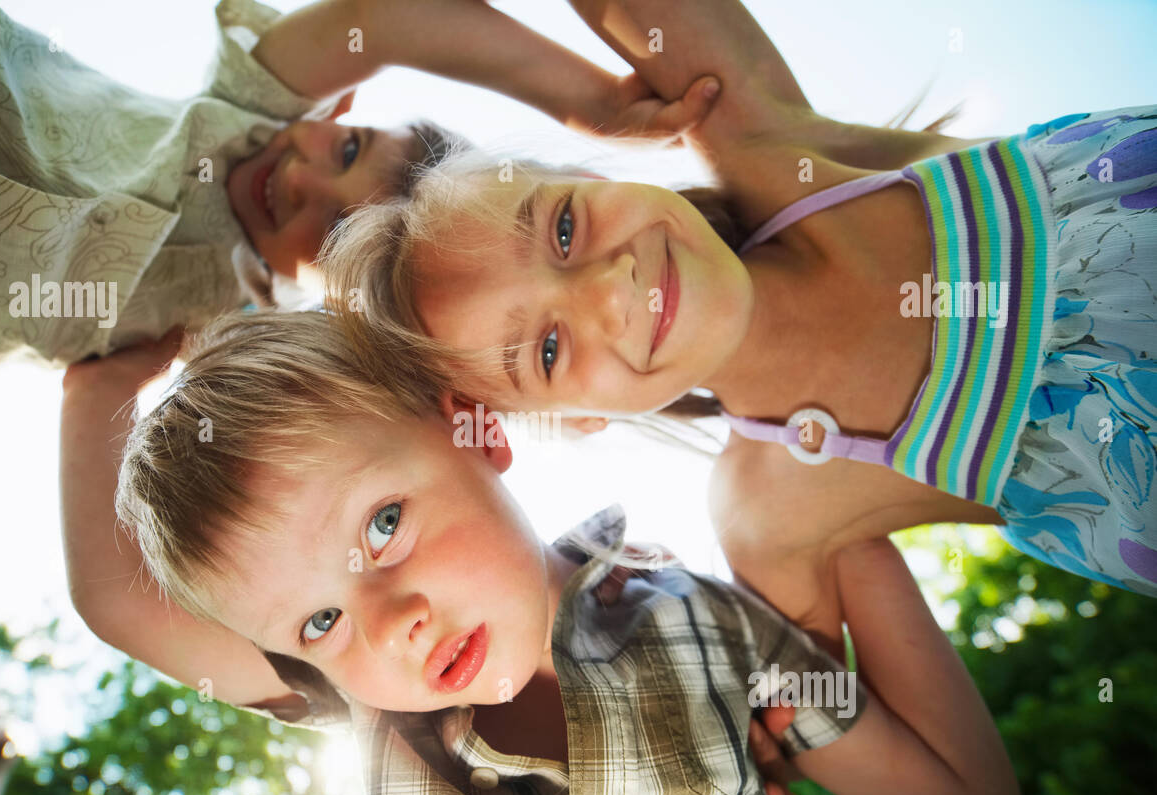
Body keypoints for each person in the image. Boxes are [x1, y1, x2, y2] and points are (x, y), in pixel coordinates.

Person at [68, 310, 1019, 795]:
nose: (394, 625)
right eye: (321, 620)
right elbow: (116, 601)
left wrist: (838, 522)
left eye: (383, 525)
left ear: (476, 431)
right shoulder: (373, 719)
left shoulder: (700, 622)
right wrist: (98, 384)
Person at [320, 0, 1157, 624]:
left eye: (566, 226)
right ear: (575, 422)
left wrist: (576, 91)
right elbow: (909, 779)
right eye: (545, 351)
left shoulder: (771, 149)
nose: (612, 291)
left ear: (597, 169)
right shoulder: (768, 515)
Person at [0, 0, 719, 387]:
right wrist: (590, 102)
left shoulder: (226, 328)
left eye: (337, 223)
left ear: (342, 299)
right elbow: (390, 19)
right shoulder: (244, 111)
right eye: (345, 147)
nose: (299, 174)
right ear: (339, 110)